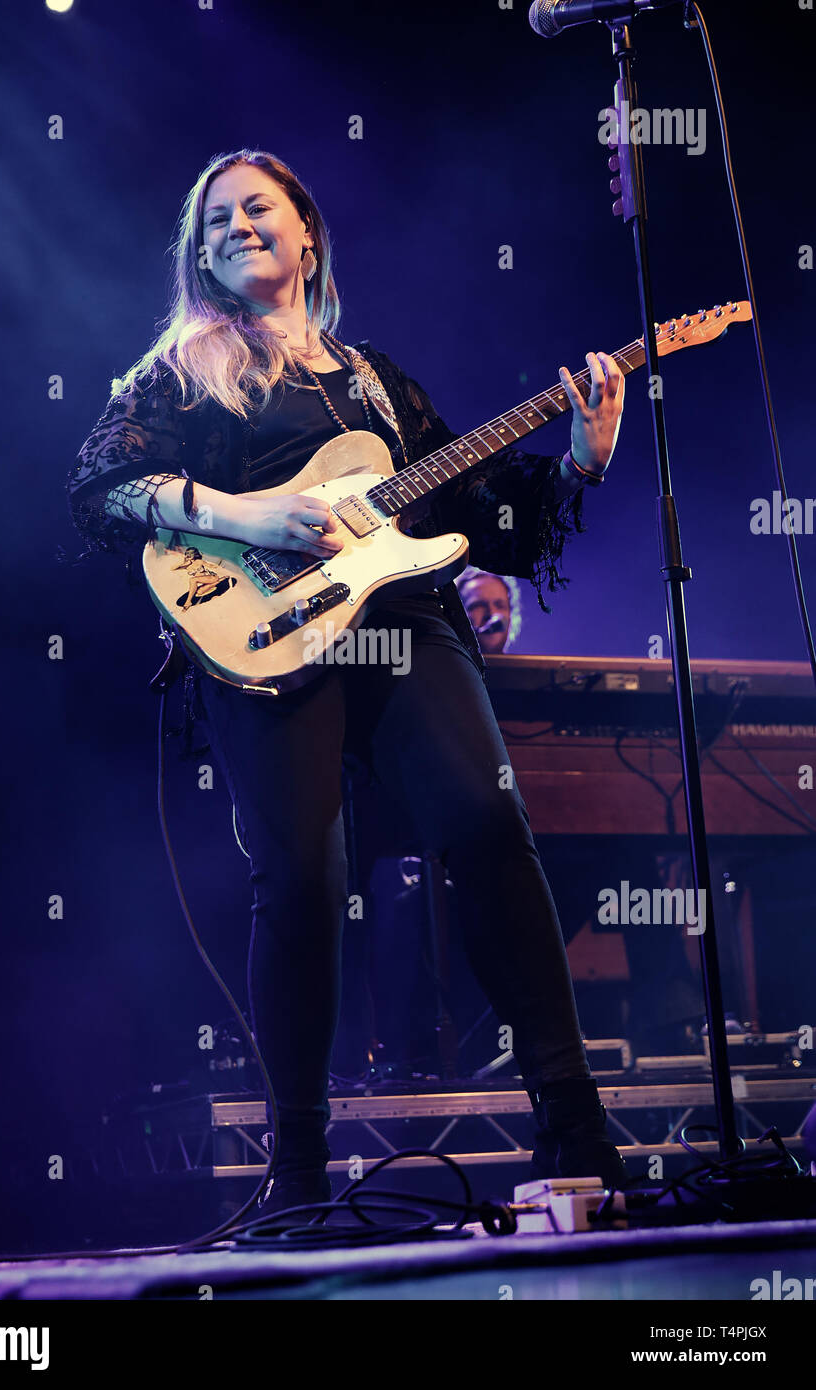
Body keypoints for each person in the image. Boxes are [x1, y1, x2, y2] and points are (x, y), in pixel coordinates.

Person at [66, 149, 628, 1216]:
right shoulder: (184, 371)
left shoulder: (373, 379)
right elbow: (103, 487)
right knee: (304, 880)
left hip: (404, 620)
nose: (233, 227)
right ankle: (300, 1174)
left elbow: (484, 506)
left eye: (255, 208)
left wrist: (586, 454)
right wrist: (251, 517)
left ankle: (574, 1128)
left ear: (307, 232)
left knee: (487, 824)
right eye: (214, 218)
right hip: (265, 629)